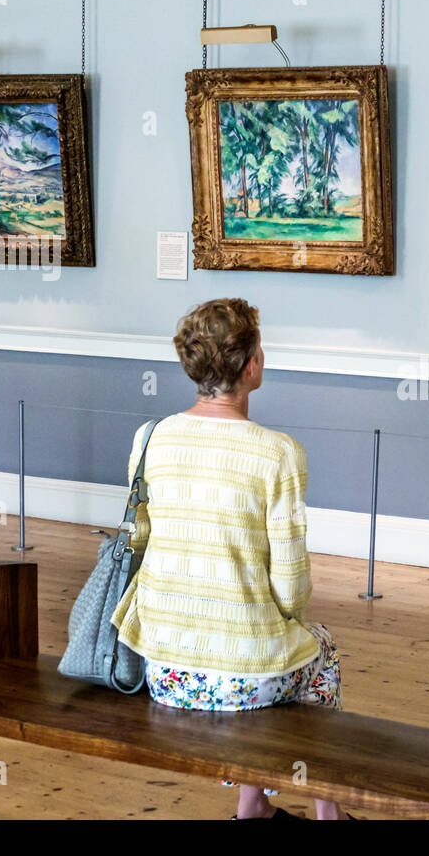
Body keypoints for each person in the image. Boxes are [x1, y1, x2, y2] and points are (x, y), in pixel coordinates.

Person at [111, 297, 347, 821]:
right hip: (242, 680)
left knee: (255, 660)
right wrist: (287, 622)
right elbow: (290, 586)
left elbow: (144, 541)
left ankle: (252, 803)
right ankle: (327, 810)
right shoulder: (278, 452)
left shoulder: (150, 439)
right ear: (251, 365)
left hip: (165, 669)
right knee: (322, 651)